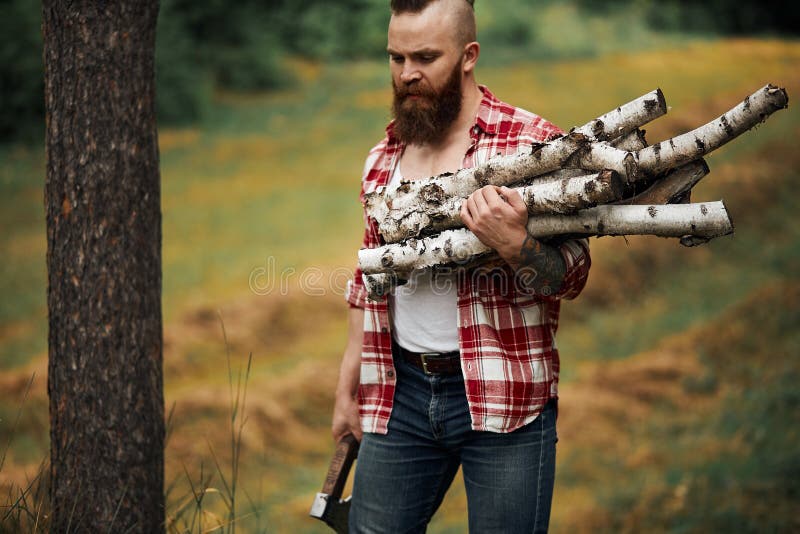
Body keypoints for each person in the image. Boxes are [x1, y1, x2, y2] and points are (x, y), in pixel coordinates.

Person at [332, 0, 591, 531]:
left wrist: (515, 244)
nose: (407, 73)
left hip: (505, 395)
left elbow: (572, 276)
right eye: (397, 58)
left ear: (469, 55)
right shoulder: (383, 157)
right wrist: (347, 389)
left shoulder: (532, 145)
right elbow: (368, 281)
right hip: (399, 396)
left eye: (426, 57)